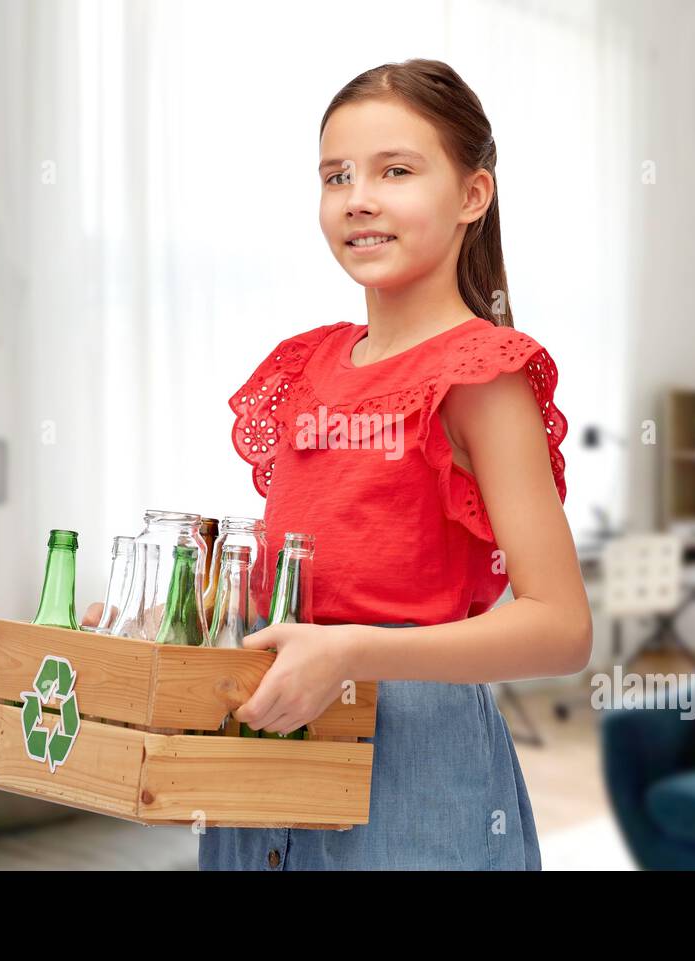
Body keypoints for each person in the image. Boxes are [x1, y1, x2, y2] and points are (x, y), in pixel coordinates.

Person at [85, 58, 591, 870]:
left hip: (412, 770)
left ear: (472, 196)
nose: (358, 197)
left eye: (396, 170)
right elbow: (304, 582)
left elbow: (561, 626)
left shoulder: (482, 373)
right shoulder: (306, 365)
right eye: (336, 175)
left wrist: (351, 653)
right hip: (266, 750)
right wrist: (160, 630)